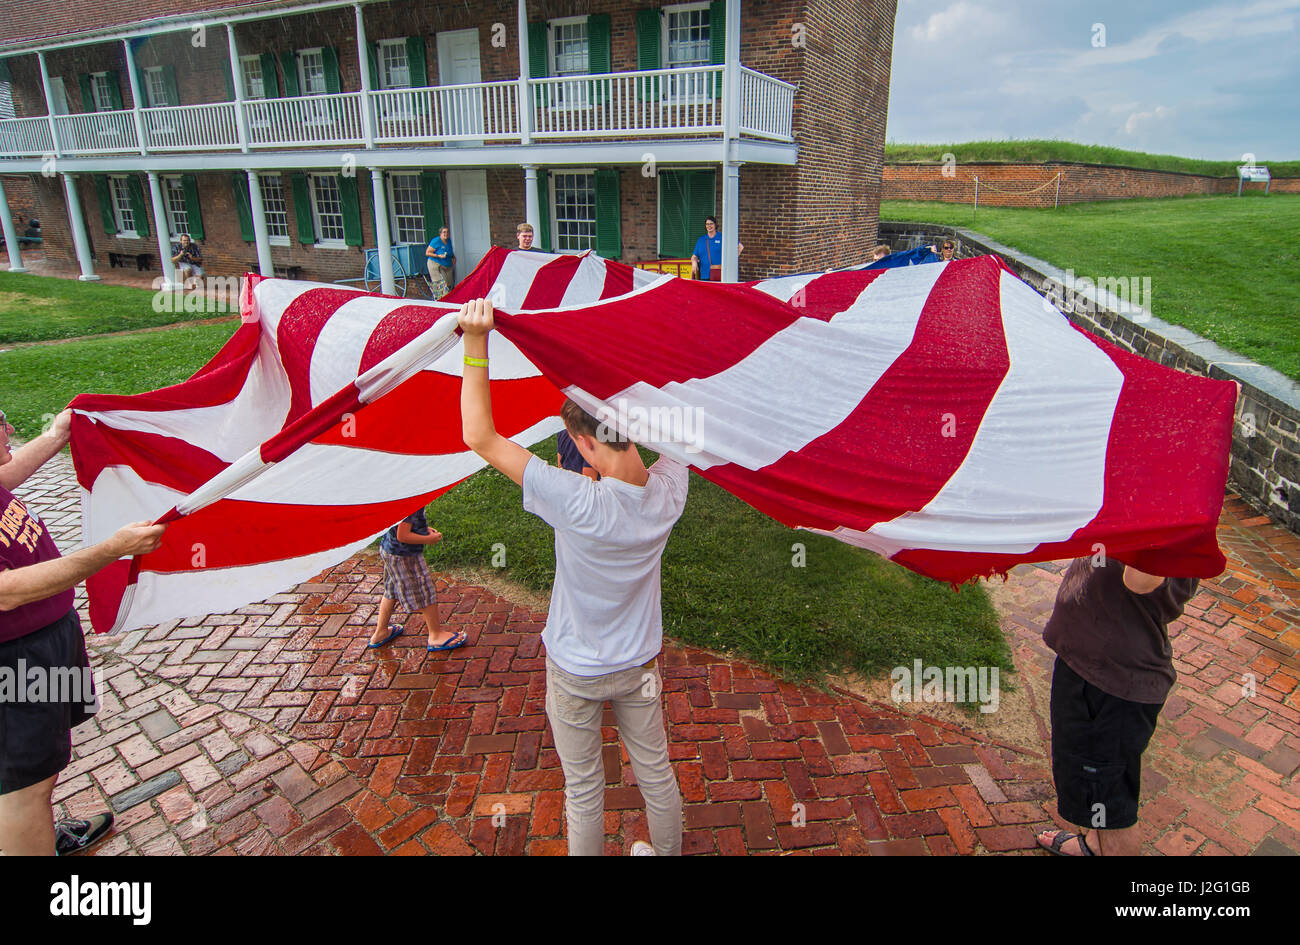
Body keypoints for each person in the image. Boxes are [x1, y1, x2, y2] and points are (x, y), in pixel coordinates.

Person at [456, 298, 689, 856]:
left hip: (576, 669)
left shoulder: (576, 501)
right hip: (639, 666)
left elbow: (479, 437)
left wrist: (474, 344)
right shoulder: (670, 493)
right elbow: (676, 436)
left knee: (584, 790)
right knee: (655, 775)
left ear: (583, 445)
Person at [0, 407, 166, 856]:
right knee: (25, 785)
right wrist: (111, 550)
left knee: (45, 764)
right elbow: (7, 592)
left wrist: (57, 435)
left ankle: (35, 834)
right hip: (15, 659)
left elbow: (7, 473)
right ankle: (27, 839)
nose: (9, 427)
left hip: (46, 638)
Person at [1035, 556, 1198, 857]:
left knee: (1110, 802)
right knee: (1089, 783)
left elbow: (1139, 581)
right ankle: (1094, 846)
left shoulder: (1174, 521)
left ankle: (1107, 848)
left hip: (1112, 686)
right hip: (1086, 666)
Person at [368, 506, 464, 652]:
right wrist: (428, 539)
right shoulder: (413, 503)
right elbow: (403, 535)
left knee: (391, 590)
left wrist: (423, 529)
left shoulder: (401, 496)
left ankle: (380, 632)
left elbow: (402, 526)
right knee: (424, 591)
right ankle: (436, 635)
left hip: (390, 549)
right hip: (405, 556)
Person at [690, 216, 742, 281]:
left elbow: (740, 247)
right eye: (707, 224)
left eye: (711, 224)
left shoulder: (722, 237)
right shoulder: (701, 240)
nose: (709, 226)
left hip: (720, 275)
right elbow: (694, 256)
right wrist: (694, 262)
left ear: (715, 225)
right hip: (704, 275)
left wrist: (731, 260)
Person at [426, 226, 455, 298]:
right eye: (444, 232)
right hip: (435, 264)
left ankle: (447, 298)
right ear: (440, 234)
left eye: (447, 232)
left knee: (449, 283)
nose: (446, 234)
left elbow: (450, 252)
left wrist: (453, 258)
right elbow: (427, 253)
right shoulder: (436, 241)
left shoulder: (449, 241)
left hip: (447, 265)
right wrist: (438, 256)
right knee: (440, 283)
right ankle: (439, 299)